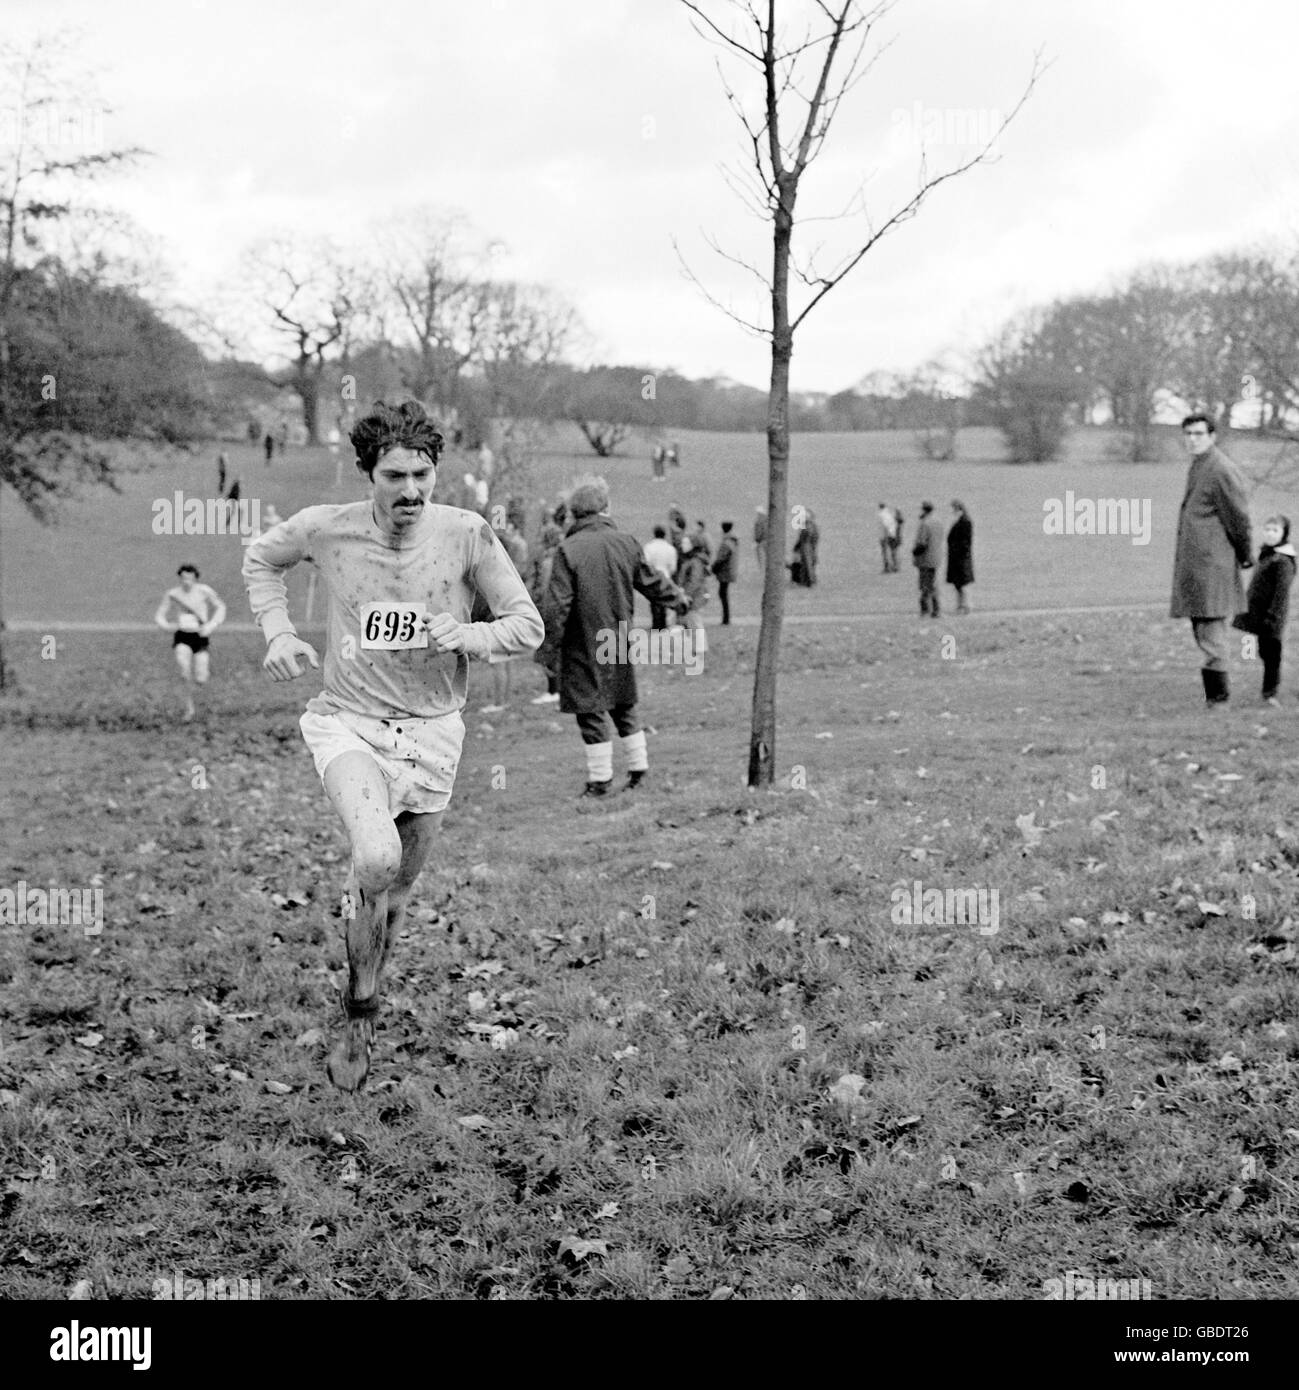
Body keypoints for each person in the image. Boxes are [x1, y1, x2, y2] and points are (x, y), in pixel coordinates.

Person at [242, 399, 543, 1091]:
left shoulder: (466, 532)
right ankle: (359, 1015)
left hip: (433, 730)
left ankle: (363, 989)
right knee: (375, 857)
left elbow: (525, 626)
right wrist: (279, 632)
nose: (410, 490)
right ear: (366, 474)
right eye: (394, 475)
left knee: (398, 891)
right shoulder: (327, 529)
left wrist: (466, 635)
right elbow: (262, 559)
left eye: (423, 474)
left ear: (438, 472)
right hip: (348, 721)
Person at [541, 477, 689, 799]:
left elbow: (557, 608)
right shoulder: (627, 542)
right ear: (605, 508)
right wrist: (678, 599)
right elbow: (651, 583)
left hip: (582, 642)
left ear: (575, 514)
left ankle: (600, 780)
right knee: (623, 705)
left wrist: (546, 650)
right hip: (618, 639)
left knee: (591, 711)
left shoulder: (568, 550)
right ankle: (638, 770)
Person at [1170, 413, 1253, 706]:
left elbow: (1238, 518)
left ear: (1212, 436)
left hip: (1212, 565)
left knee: (1211, 631)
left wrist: (1245, 554)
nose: (1192, 439)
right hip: (1196, 566)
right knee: (1202, 628)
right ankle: (1215, 698)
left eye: (1198, 434)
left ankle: (1218, 700)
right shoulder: (1199, 466)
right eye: (1188, 434)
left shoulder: (1220, 470)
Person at [1232, 515, 1295, 707]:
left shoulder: (1282, 561)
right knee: (1265, 653)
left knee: (1272, 655)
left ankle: (1270, 694)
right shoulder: (1268, 554)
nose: (1270, 533)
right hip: (1262, 615)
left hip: (1272, 617)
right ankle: (1270, 691)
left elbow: (1281, 594)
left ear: (1284, 534)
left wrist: (1272, 617)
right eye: (1267, 529)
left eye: (1275, 530)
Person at [155, 564, 227, 722]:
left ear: (195, 578)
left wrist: (211, 625)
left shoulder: (204, 591)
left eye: (189, 578)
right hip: (182, 635)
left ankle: (204, 705)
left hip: (200, 635)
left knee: (201, 676)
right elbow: (160, 614)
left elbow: (220, 607)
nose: (186, 581)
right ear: (179, 578)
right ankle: (188, 708)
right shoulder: (173, 594)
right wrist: (167, 626)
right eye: (183, 578)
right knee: (184, 671)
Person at [643, 524, 678, 630]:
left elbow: (647, 563)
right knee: (664, 601)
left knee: (654, 601)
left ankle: (656, 623)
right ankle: (663, 623)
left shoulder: (649, 547)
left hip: (653, 577)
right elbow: (673, 567)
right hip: (666, 576)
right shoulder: (670, 549)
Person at [912, 501, 943, 617]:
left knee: (925, 585)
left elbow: (922, 543)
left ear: (924, 510)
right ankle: (936, 609)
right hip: (936, 558)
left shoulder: (925, 524)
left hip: (925, 559)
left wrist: (914, 552)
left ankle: (926, 610)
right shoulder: (938, 522)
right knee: (933, 583)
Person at [946, 500, 974, 613]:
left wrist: (960, 554)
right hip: (957, 558)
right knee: (958, 585)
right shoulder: (960, 521)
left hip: (961, 558)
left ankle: (965, 605)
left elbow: (966, 542)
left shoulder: (965, 522)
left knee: (962, 584)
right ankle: (960, 605)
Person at [711, 520, 738, 625]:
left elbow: (720, 559)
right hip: (728, 572)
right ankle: (726, 618)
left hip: (724, 573)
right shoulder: (732, 541)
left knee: (723, 594)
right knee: (723, 594)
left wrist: (713, 568)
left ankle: (726, 618)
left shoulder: (726, 543)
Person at [789, 507, 818, 587]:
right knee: (804, 565)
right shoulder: (809, 526)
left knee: (807, 565)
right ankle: (805, 581)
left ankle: (809, 582)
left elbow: (806, 538)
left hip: (806, 548)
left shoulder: (809, 526)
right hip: (806, 548)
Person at [877, 502, 898, 573]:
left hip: (885, 536)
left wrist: (885, 535)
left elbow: (885, 525)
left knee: (885, 552)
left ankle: (887, 567)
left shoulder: (881, 515)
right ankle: (895, 566)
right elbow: (894, 524)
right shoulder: (889, 514)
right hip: (892, 535)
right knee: (893, 551)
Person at [891, 508, 904, 572]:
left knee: (894, 553)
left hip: (895, 538)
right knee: (896, 552)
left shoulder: (896, 523)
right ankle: (897, 565)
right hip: (898, 538)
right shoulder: (900, 522)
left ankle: (896, 566)